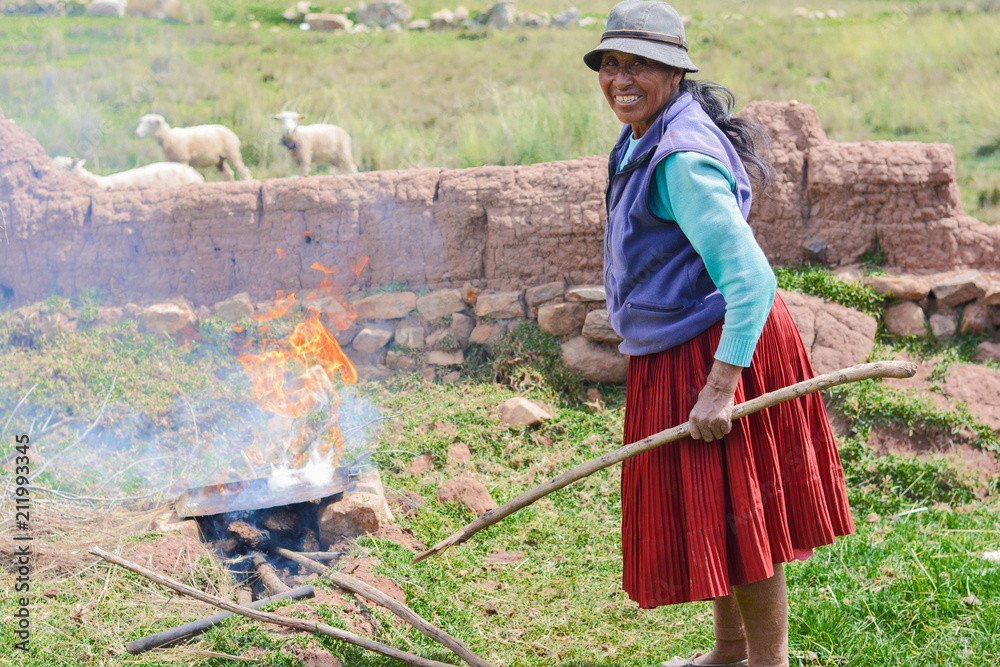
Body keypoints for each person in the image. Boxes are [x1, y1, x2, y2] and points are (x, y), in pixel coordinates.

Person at [583, 2, 855, 666]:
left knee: (742, 517)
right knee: (719, 509)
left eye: (640, 63)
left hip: (722, 350)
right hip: (685, 346)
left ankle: (769, 661)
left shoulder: (679, 159)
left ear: (674, 70)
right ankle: (730, 649)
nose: (621, 78)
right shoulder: (644, 133)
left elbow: (753, 281)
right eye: (611, 63)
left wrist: (720, 386)